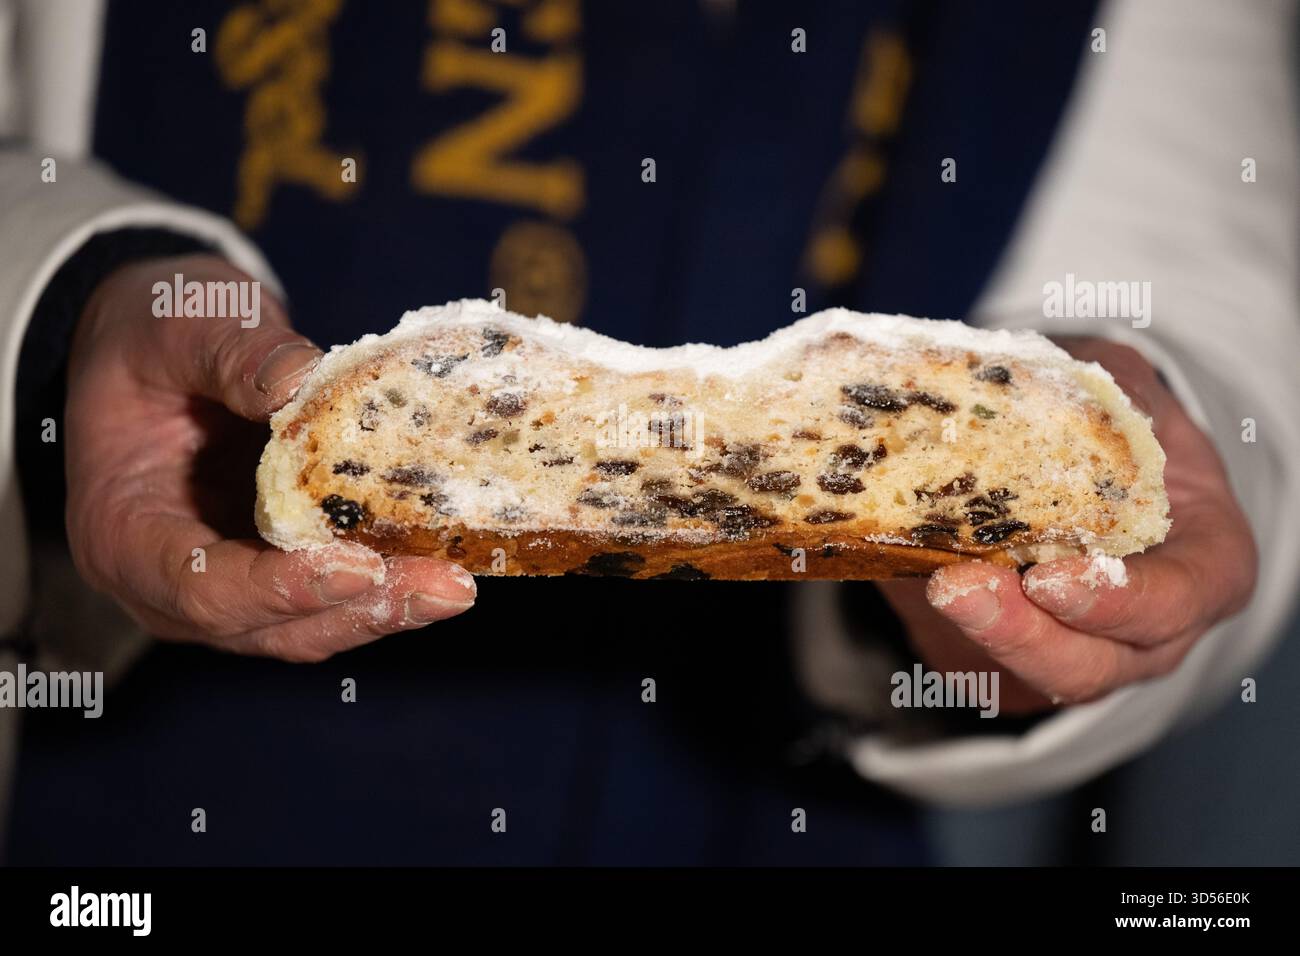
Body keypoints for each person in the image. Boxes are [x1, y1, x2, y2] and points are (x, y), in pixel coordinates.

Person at [0, 0, 1295, 863]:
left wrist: (1142, 429)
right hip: (145, 791)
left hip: (770, 800)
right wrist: (66, 308)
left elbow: (1208, 305)